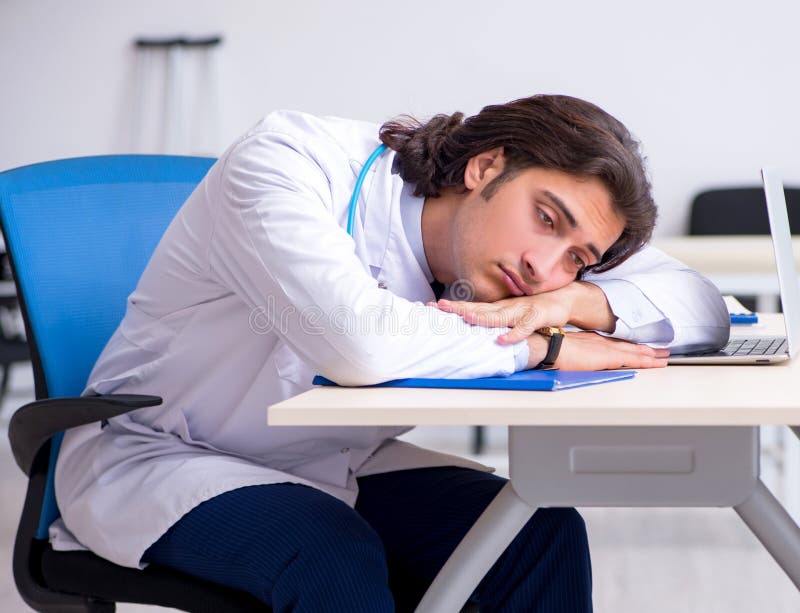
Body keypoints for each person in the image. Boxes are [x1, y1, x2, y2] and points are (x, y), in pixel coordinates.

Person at [51, 94, 729, 612]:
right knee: (328, 553)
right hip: (162, 455)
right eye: (546, 219)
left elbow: (703, 306)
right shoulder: (289, 162)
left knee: (538, 531)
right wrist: (542, 347)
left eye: (578, 257)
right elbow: (360, 345)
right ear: (485, 166)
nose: (543, 265)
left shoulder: (537, 270)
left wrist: (574, 301)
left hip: (326, 458)